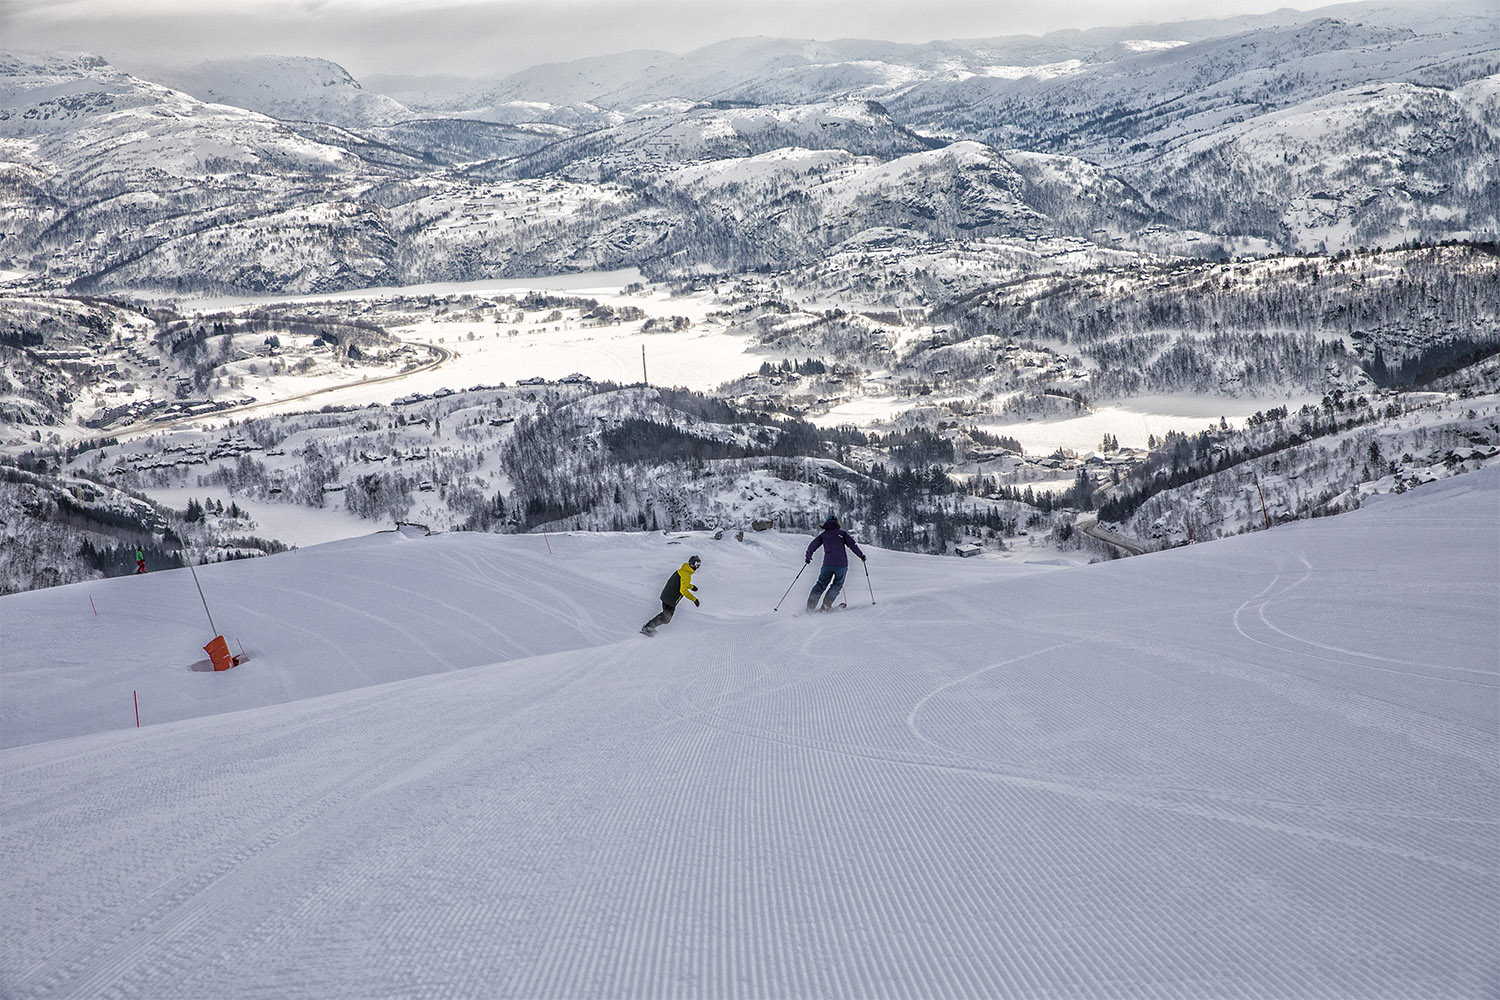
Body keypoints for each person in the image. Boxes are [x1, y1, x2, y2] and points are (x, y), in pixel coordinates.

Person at [805, 516, 865, 611]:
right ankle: (826, 605)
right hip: (841, 565)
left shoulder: (823, 535)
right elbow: (853, 545)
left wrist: (808, 557)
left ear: (826, 524)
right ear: (837, 523)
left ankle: (810, 606)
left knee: (821, 584)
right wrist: (861, 556)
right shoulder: (842, 534)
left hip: (827, 565)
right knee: (837, 584)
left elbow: (812, 546)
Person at [641, 554, 701, 636]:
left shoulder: (683, 570)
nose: (698, 567)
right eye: (697, 565)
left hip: (667, 595)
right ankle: (648, 628)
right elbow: (683, 590)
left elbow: (682, 583)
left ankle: (649, 627)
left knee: (666, 616)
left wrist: (692, 586)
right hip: (671, 599)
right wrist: (694, 599)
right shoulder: (687, 575)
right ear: (693, 565)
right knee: (666, 618)